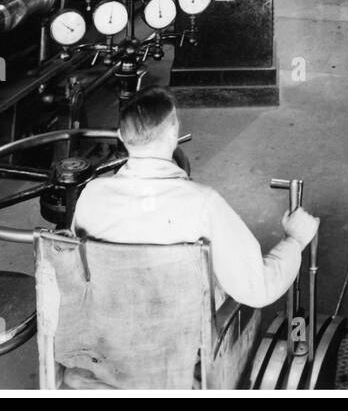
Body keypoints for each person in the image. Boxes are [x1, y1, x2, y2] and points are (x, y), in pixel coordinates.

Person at [73, 87, 319, 309]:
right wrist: (294, 241)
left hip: (106, 332)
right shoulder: (203, 203)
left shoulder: (91, 195)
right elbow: (258, 290)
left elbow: (77, 272)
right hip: (183, 338)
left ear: (121, 135)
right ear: (173, 132)